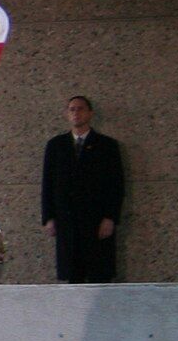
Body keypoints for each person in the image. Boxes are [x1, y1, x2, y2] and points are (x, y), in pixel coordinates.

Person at [43, 96, 123, 283]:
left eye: (80, 109)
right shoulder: (56, 146)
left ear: (90, 113)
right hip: (67, 219)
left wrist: (110, 217)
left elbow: (116, 185)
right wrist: (49, 217)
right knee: (73, 275)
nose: (76, 113)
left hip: (96, 219)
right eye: (72, 109)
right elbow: (48, 183)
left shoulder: (107, 145)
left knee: (99, 273)